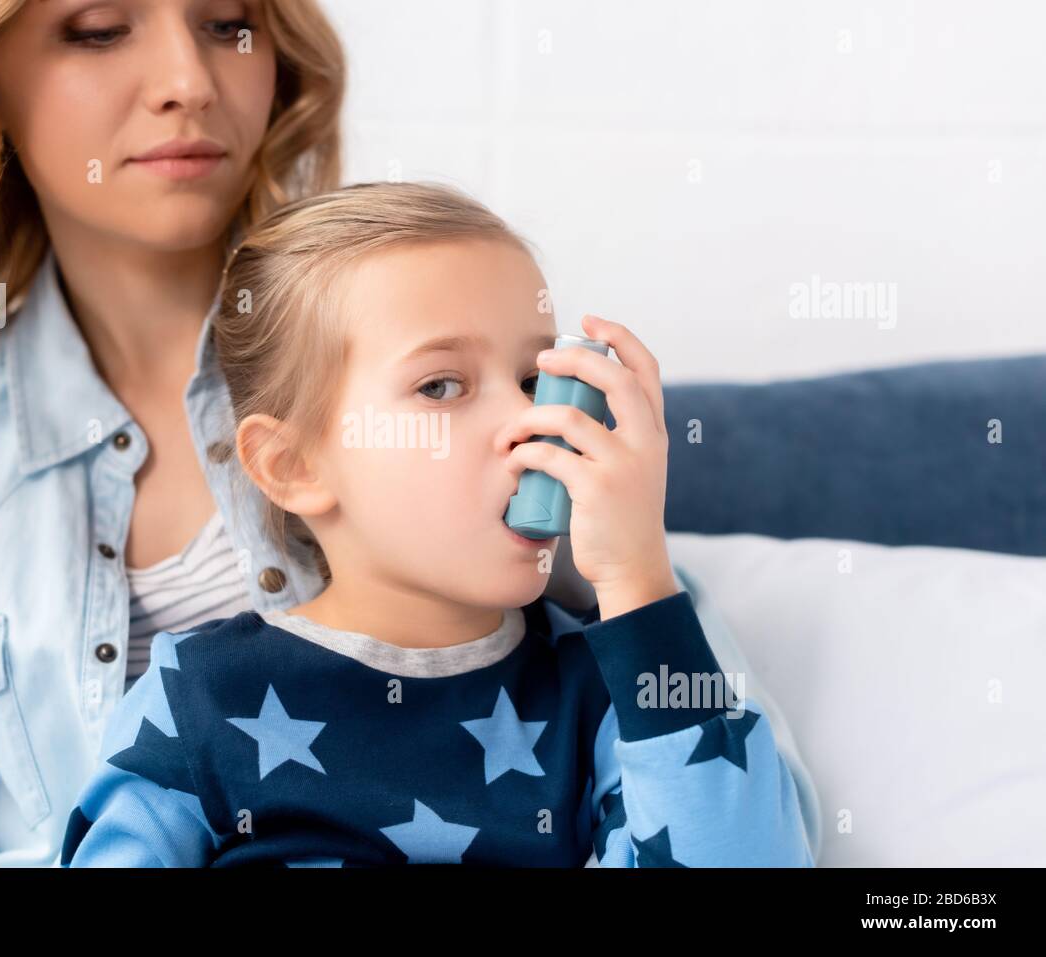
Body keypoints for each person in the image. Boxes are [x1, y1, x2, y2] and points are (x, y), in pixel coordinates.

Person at [0, 1, 819, 867]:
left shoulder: (416, 317)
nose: (187, 76)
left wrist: (634, 578)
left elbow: (745, 831)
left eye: (229, 22)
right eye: (97, 27)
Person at [60, 181, 819, 866]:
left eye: (535, 378)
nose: (530, 418)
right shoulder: (199, 693)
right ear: (294, 466)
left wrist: (638, 583)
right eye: (442, 384)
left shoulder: (604, 694)